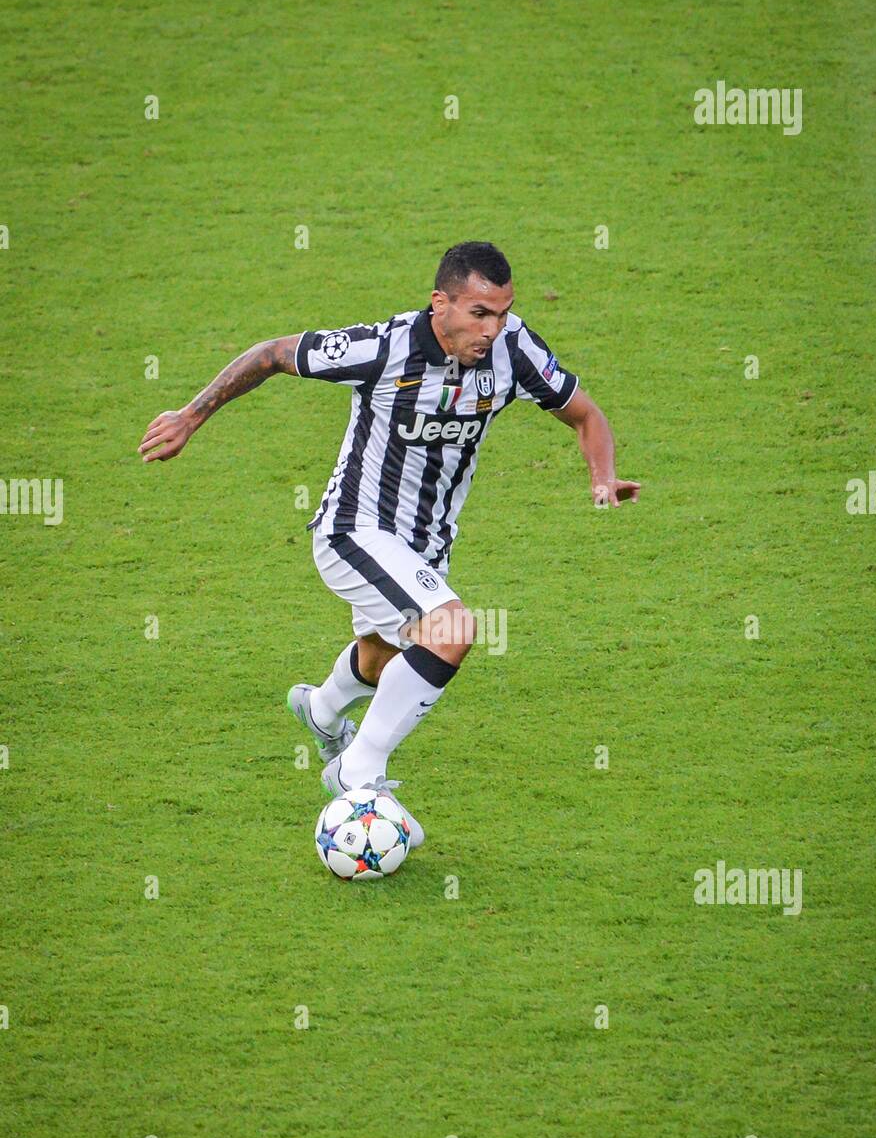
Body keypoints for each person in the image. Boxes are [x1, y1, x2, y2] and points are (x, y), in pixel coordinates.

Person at [138, 241, 641, 847]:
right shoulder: (383, 347)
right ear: (441, 303)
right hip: (353, 531)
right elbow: (271, 354)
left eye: (503, 312)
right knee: (452, 630)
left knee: (382, 660)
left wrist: (602, 478)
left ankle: (321, 709)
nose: (494, 328)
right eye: (480, 313)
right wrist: (190, 416)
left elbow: (585, 414)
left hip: (425, 546)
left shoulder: (514, 351)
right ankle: (359, 769)